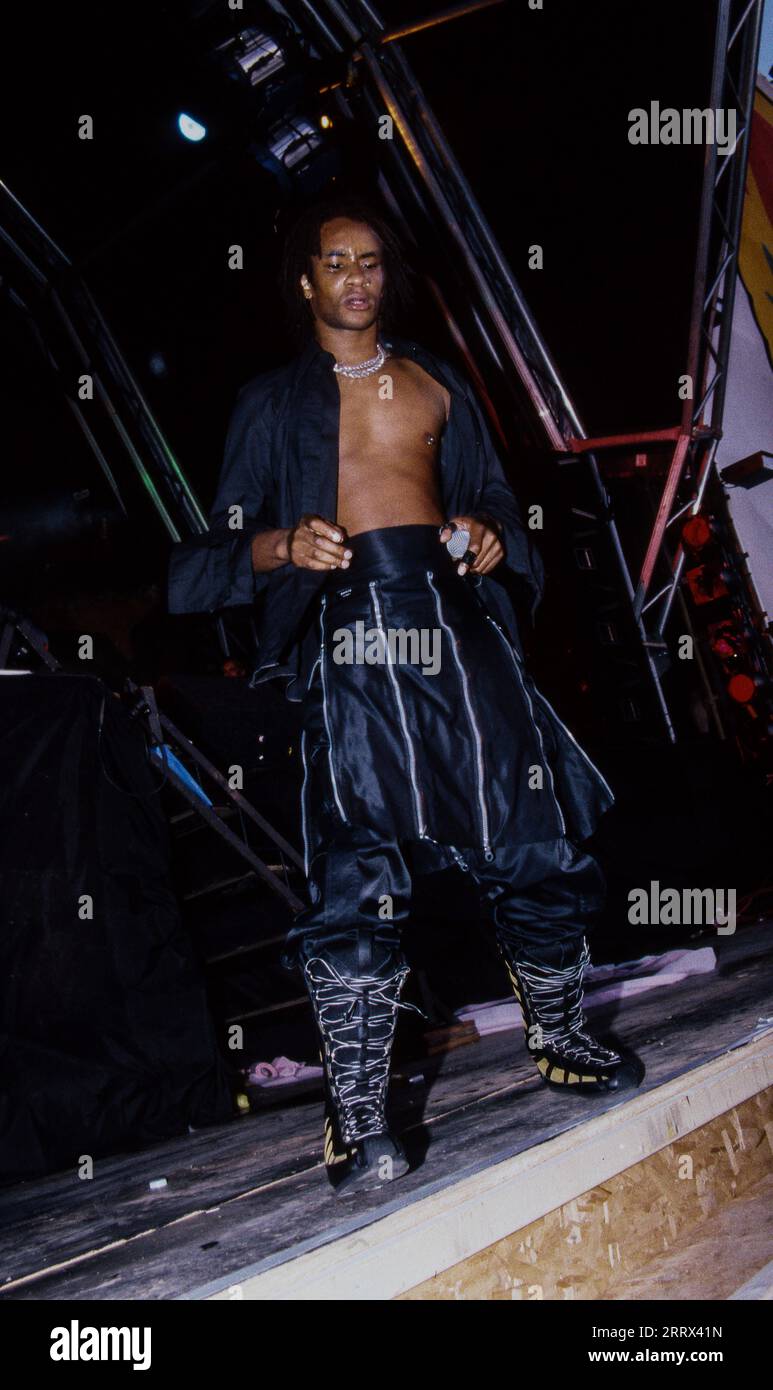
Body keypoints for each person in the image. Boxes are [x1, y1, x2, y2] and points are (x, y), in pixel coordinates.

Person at [169, 193, 639, 1195]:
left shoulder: (436, 385)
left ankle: (558, 1035)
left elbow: (501, 505)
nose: (355, 278)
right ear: (305, 283)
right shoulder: (270, 403)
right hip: (350, 634)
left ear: (387, 275)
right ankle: (360, 1113)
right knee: (359, 873)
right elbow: (198, 564)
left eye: (370, 261)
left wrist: (490, 535)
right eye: (334, 262)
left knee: (531, 836)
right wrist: (277, 544)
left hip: (456, 632)